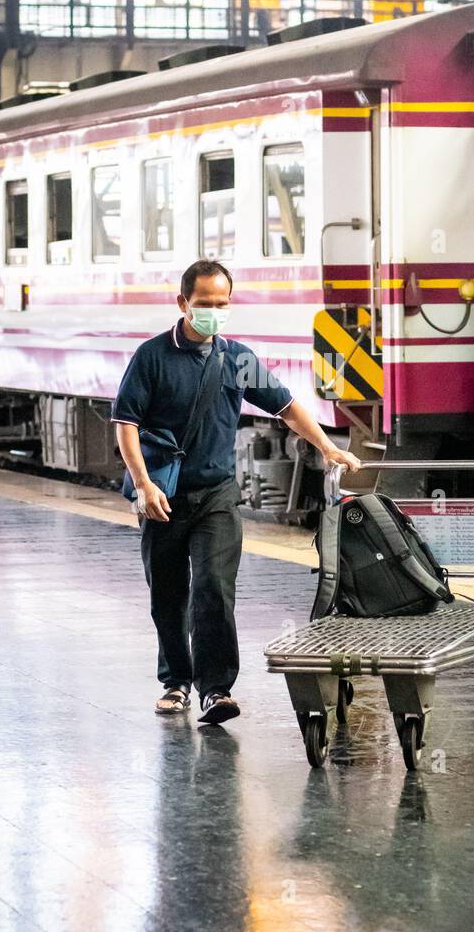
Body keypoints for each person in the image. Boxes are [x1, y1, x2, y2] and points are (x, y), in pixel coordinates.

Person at [112, 258, 361, 725]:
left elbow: (287, 407)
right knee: (167, 594)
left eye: (222, 303)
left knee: (213, 588)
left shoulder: (238, 358)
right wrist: (143, 485)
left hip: (217, 497)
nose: (213, 311)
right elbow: (126, 424)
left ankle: (216, 689)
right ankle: (175, 682)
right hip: (163, 497)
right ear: (183, 302)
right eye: (204, 303)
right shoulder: (151, 356)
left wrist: (328, 447)